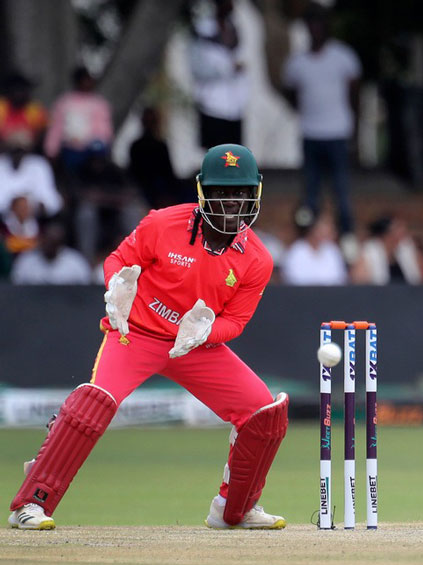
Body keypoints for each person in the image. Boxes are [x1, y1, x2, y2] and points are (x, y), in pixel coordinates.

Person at [8, 144, 289, 531]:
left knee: (263, 412)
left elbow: (236, 322)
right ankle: (31, 503)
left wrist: (205, 331)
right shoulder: (163, 224)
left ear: (254, 194)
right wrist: (118, 289)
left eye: (240, 193)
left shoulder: (257, 258)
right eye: (222, 193)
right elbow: (118, 261)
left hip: (193, 347)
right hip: (135, 334)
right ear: (203, 192)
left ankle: (233, 511)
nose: (231, 203)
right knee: (95, 403)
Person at [281, 4, 361, 243]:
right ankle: (307, 239)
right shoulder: (297, 63)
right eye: (311, 25)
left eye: (319, 24)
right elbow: (291, 93)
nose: (315, 30)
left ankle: (347, 239)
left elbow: (355, 96)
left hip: (337, 133)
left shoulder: (344, 57)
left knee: (341, 192)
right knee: (310, 195)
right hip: (310, 134)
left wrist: (353, 130)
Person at [189, 0, 248, 148]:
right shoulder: (202, 30)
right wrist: (227, 71)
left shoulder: (233, 28)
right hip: (212, 105)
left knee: (233, 158)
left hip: (235, 107)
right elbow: (197, 70)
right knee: (215, 158)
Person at [9, 218, 91, 285]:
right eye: (47, 242)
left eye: (54, 243)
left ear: (60, 244)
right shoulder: (26, 261)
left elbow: (86, 290)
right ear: (42, 240)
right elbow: (16, 287)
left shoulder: (76, 263)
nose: (50, 246)